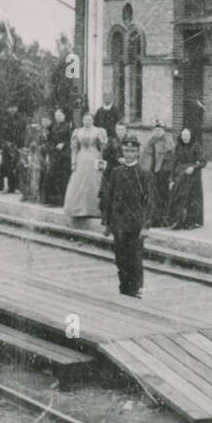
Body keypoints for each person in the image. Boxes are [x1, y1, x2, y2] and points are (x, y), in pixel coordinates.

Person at [100, 134, 150, 298]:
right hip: (119, 224)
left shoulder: (143, 174)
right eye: (126, 150)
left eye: (132, 151)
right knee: (120, 260)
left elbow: (149, 203)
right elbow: (109, 198)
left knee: (134, 259)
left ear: (137, 153)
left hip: (135, 226)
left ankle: (136, 291)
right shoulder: (116, 172)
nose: (129, 154)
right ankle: (124, 291)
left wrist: (145, 226)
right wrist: (107, 223)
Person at [63, 112, 107, 220]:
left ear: (93, 121)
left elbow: (102, 148)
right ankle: (78, 210)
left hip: (94, 158)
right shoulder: (77, 132)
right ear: (83, 120)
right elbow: (74, 148)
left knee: (94, 182)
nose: (87, 122)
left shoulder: (98, 131)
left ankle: (94, 210)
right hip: (81, 158)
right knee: (79, 183)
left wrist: (101, 162)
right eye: (85, 120)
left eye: (90, 120)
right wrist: (73, 163)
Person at [168, 127, 206, 230]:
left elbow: (203, 162)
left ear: (191, 136)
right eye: (184, 136)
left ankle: (191, 221)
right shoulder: (178, 147)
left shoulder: (196, 146)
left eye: (187, 136)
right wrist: (171, 179)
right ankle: (178, 220)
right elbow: (173, 163)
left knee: (192, 198)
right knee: (179, 197)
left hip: (193, 176)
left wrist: (193, 167)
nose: (185, 138)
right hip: (180, 174)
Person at [139, 122, 173, 227]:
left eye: (159, 130)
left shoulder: (168, 142)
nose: (157, 132)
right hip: (151, 172)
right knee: (152, 196)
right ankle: (154, 218)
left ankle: (164, 218)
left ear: (163, 131)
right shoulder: (149, 142)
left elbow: (170, 159)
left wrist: (164, 170)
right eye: (155, 130)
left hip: (163, 173)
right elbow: (144, 157)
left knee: (163, 196)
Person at [44, 108, 73, 207]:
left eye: (60, 115)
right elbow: (49, 140)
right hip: (55, 154)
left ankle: (64, 201)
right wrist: (52, 148)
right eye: (56, 116)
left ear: (64, 116)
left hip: (64, 155)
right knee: (53, 177)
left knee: (63, 178)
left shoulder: (68, 127)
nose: (58, 117)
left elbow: (71, 140)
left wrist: (64, 144)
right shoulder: (53, 127)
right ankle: (53, 201)